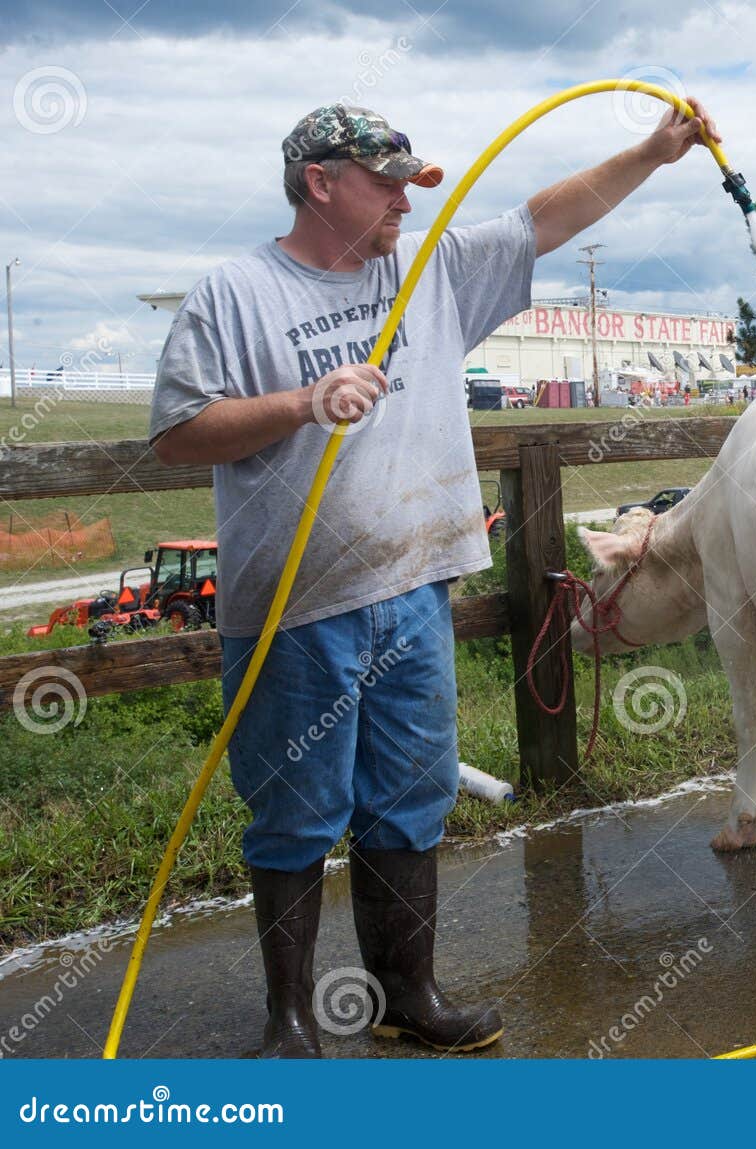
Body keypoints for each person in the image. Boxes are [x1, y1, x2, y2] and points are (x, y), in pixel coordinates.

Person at [149, 98, 722, 1057]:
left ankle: (407, 994)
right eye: (385, 186)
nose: (404, 207)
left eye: (412, 187)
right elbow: (174, 434)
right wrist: (300, 402)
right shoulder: (236, 294)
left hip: (417, 595)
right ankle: (288, 1020)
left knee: (411, 797)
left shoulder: (431, 271)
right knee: (295, 814)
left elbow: (548, 218)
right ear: (319, 183)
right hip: (297, 610)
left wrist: (653, 154)